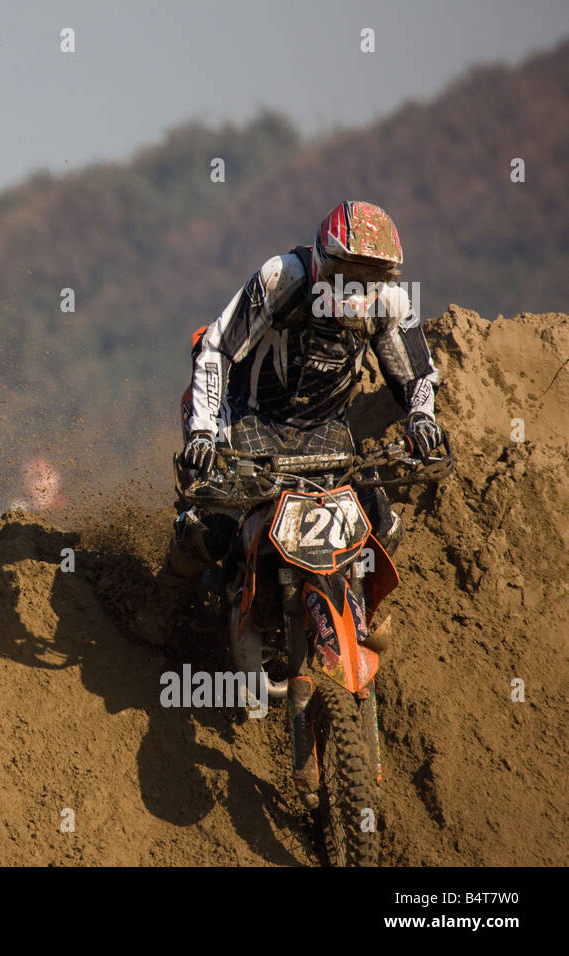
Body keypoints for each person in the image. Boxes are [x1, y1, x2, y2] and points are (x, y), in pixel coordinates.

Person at [166, 200, 447, 798]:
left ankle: (359, 617)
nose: (360, 289)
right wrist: (201, 438)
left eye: (373, 278)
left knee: (383, 523)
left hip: (326, 432)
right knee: (207, 529)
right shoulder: (281, 279)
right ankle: (158, 608)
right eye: (350, 274)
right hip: (248, 422)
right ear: (323, 260)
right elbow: (214, 348)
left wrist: (422, 418)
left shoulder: (390, 305)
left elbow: (415, 373)